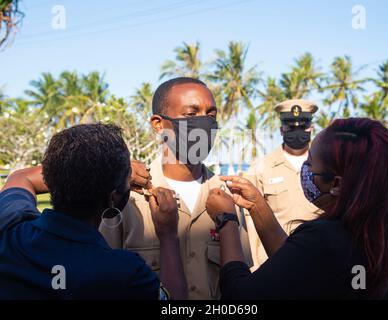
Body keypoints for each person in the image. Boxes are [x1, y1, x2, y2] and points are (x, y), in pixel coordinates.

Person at [206, 118, 388, 299]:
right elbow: (299, 264)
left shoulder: (325, 237)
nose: (304, 170)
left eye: (311, 164)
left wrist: (227, 221)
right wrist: (258, 206)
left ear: (337, 185)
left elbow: (240, 296)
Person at [100, 77, 252, 300]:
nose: (204, 123)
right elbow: (105, 281)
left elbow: (242, 281)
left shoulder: (227, 198)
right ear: (158, 124)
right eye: (191, 114)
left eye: (211, 115)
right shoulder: (128, 197)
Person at [0, 123, 187, 299]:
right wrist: (168, 234)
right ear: (112, 197)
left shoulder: (10, 231)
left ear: (50, 178)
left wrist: (82, 169)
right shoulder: (124, 272)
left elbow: (22, 176)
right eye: (126, 177)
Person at [245, 99, 320, 268]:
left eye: (302, 127)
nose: (297, 131)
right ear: (281, 129)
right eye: (291, 128)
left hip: (319, 259)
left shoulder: (326, 165)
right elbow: (250, 219)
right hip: (275, 261)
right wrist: (254, 264)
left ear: (311, 129)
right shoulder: (261, 167)